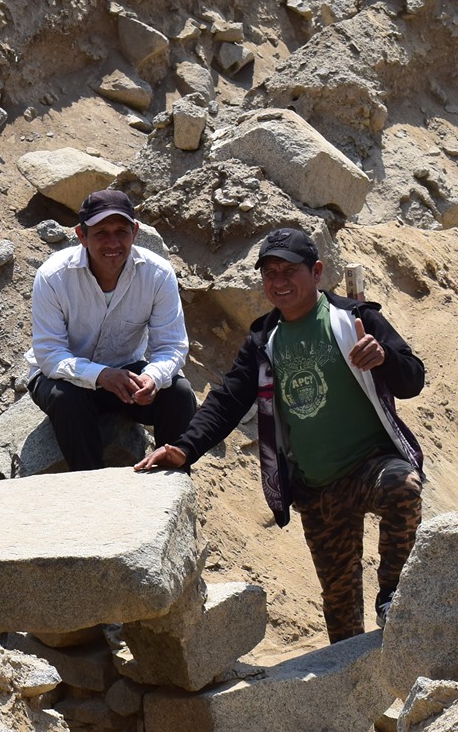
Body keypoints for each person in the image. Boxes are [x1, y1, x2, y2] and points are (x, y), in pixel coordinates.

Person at [135, 228, 425, 643]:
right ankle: (353, 694)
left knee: (403, 486)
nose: (279, 282)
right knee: (340, 610)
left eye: (289, 270)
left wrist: (384, 358)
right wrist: (184, 447)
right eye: (270, 273)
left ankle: (394, 593)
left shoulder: (355, 318)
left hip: (369, 465)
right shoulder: (263, 341)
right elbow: (228, 400)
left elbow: (412, 380)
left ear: (317, 272)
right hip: (316, 487)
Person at [26, 188, 195, 472]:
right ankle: (92, 488)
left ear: (136, 232)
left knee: (179, 393)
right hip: (67, 379)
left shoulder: (157, 274)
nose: (113, 242)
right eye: (101, 232)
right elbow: (49, 353)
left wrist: (153, 377)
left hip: (126, 375)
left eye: (121, 231)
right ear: (81, 235)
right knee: (65, 400)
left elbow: (172, 346)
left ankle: (171, 483)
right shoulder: (53, 276)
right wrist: (100, 375)